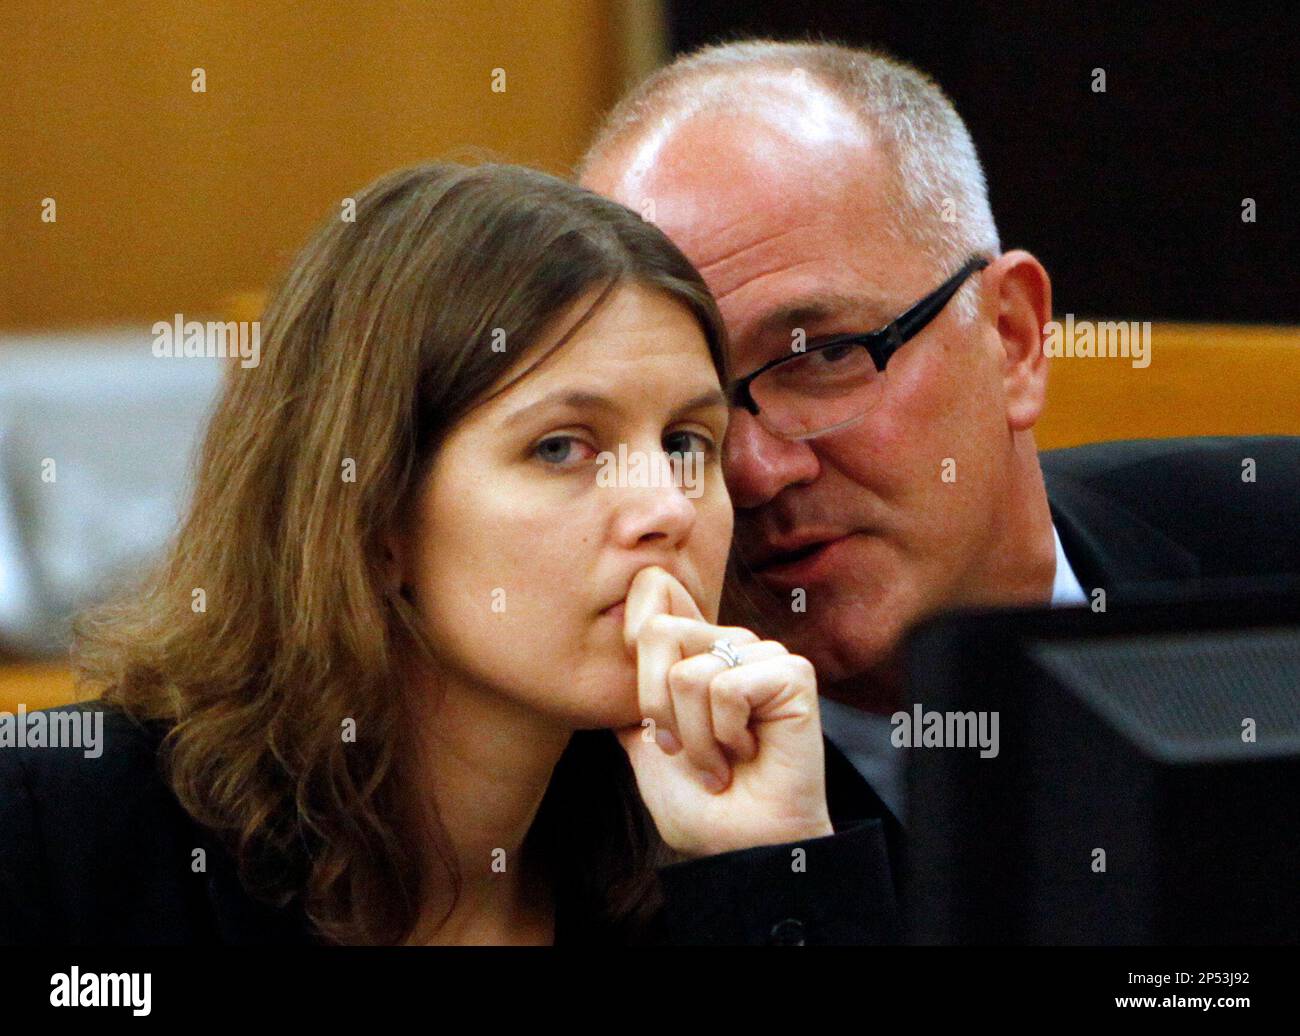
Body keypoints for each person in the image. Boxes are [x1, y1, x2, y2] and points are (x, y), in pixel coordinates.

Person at [0, 161, 887, 946]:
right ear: (376, 519)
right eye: (561, 447)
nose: (666, 507)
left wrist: (769, 880)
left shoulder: (765, 814)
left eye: (687, 442)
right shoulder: (55, 832)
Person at [577, 39, 1300, 939]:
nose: (757, 471)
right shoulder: (583, 823)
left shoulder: (1271, 556)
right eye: (690, 421)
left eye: (825, 356)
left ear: (1014, 337)